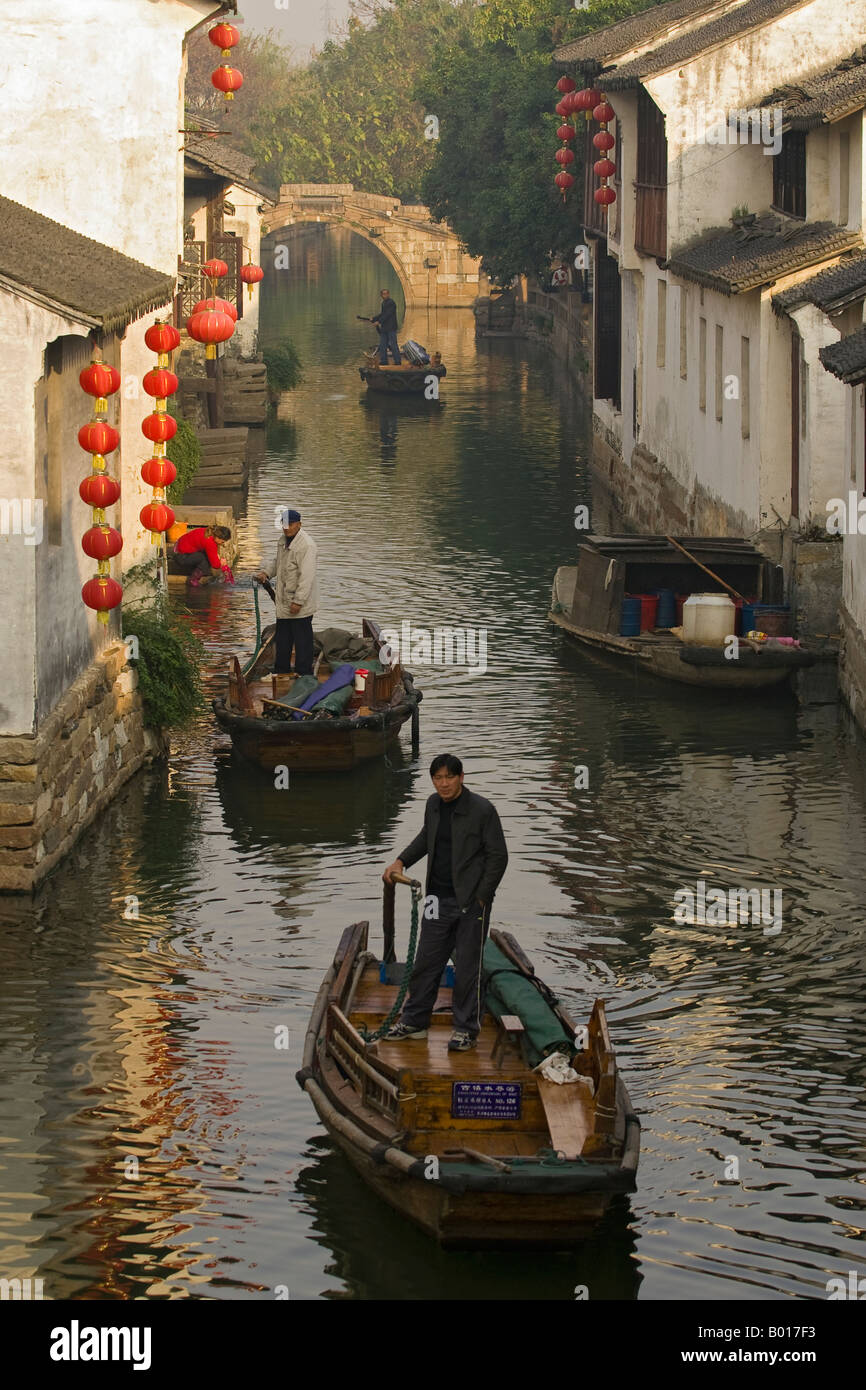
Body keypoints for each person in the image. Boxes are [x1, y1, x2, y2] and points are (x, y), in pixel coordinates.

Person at [382, 754, 508, 1052]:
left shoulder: (482, 810)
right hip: (435, 900)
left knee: (467, 968)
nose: (444, 784)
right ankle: (414, 1021)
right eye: (438, 778)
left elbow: (498, 857)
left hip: (470, 903)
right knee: (426, 962)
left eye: (449, 777)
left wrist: (481, 897)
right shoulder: (432, 805)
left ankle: (465, 1029)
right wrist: (400, 861)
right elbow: (427, 838)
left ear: (461, 777)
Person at [255, 509, 318, 675]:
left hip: (300, 604)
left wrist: (299, 601)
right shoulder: (283, 540)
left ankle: (304, 674)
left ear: (299, 525)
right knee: (283, 640)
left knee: (302, 641)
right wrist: (266, 573)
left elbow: (307, 576)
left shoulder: (306, 545)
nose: (286, 528)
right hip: (283, 601)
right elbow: (279, 562)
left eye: (290, 524)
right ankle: (281, 672)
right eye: (284, 524)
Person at [370, 289, 401, 366]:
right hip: (384, 328)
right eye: (383, 294)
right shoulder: (384, 303)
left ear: (388, 294)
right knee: (383, 345)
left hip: (391, 328)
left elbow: (387, 314)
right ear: (381, 295)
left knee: (393, 345)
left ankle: (397, 361)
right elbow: (383, 314)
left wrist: (379, 322)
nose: (385, 295)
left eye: (386, 294)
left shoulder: (391, 303)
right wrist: (374, 318)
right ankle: (384, 361)